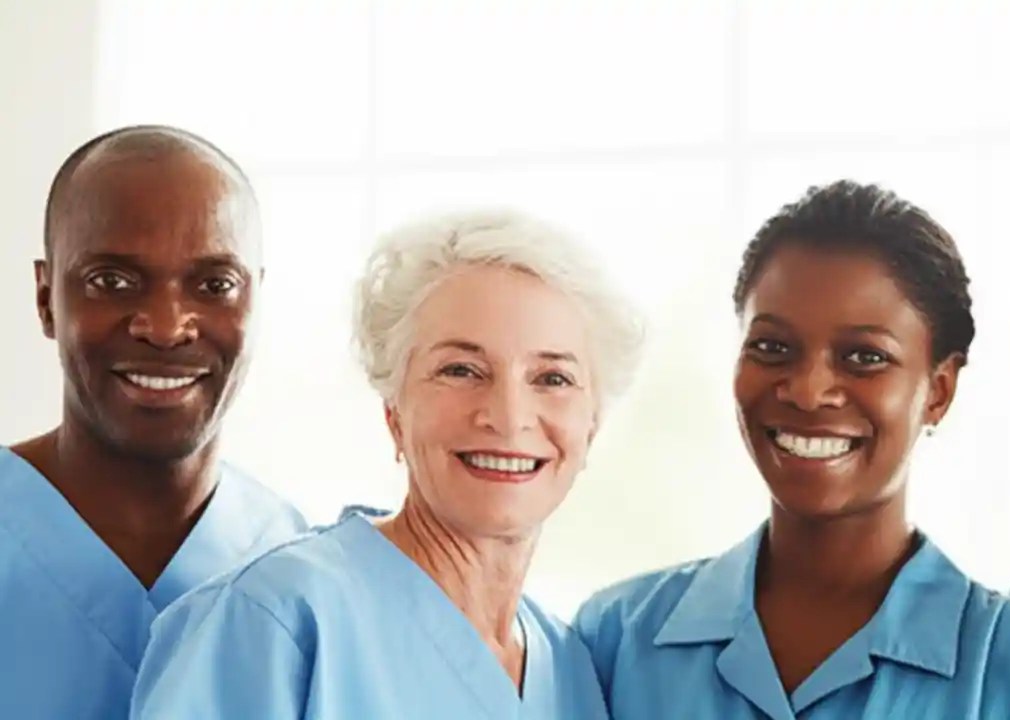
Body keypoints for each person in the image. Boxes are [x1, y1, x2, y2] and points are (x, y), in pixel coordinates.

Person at [573, 180, 1010, 718]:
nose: (808, 391)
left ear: (939, 390)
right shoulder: (615, 643)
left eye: (865, 357)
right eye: (772, 347)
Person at [131, 208, 645, 718]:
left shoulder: (570, 669)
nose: (509, 418)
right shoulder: (273, 621)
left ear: (592, 424)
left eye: (553, 378)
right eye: (461, 370)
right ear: (394, 410)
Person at [0, 125, 307, 720]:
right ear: (45, 300)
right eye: (112, 281)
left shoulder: (304, 572)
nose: (166, 327)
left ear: (256, 302)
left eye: (215, 284)